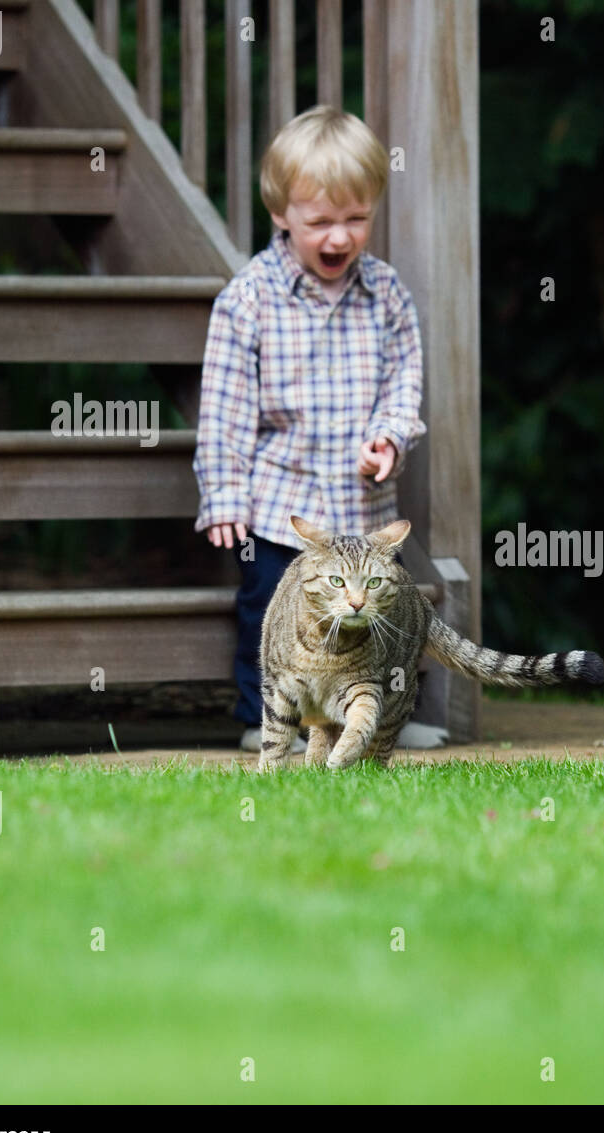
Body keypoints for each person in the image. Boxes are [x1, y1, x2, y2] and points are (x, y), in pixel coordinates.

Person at [193, 106, 430, 752]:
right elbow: (224, 409)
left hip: (364, 511)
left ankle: (380, 715)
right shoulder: (250, 299)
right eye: (319, 221)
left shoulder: (387, 295)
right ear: (281, 213)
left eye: (356, 219)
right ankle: (265, 718)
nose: (339, 237)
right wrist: (223, 495)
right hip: (280, 506)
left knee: (383, 620)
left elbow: (404, 379)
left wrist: (391, 434)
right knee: (272, 610)